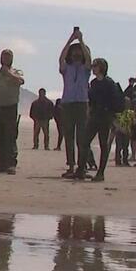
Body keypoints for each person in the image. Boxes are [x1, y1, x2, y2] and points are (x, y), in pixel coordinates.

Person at [75, 58, 122, 181]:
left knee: (103, 145)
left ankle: (100, 173)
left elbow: (116, 102)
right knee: (84, 142)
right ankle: (81, 169)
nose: (93, 68)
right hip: (94, 116)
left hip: (105, 117)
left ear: (102, 67)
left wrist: (114, 119)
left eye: (95, 66)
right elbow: (91, 99)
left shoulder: (110, 83)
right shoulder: (94, 83)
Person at [58, 28, 91, 178]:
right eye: (74, 52)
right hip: (68, 104)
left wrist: (81, 41)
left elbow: (89, 59)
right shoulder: (67, 68)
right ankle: (71, 165)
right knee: (69, 136)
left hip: (82, 104)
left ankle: (81, 167)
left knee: (82, 137)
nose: (77, 54)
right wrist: (71, 40)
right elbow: (61, 59)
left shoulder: (85, 70)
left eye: (79, 52)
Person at [113, 97, 133, 166]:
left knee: (125, 147)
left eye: (128, 103)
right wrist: (120, 128)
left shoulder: (130, 113)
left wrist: (129, 130)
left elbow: (132, 122)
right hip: (119, 131)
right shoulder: (118, 112)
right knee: (119, 147)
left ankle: (125, 160)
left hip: (127, 131)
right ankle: (118, 161)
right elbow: (114, 121)